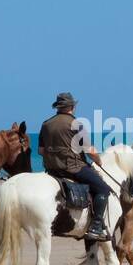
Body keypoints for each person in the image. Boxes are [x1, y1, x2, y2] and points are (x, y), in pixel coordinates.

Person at [39, 91, 110, 241]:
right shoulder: (76, 124)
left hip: (52, 169)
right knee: (103, 188)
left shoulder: (46, 124)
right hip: (73, 168)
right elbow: (89, 150)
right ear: (72, 106)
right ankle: (96, 226)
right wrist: (98, 160)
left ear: (57, 107)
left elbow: (41, 151)